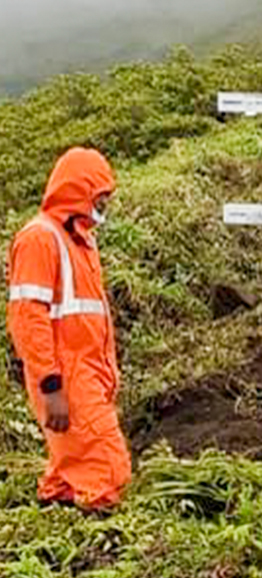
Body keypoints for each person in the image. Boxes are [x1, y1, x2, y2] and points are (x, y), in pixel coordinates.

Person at [5, 147, 131, 509]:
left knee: (73, 465)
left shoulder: (80, 238)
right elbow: (28, 319)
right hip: (66, 377)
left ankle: (56, 510)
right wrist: (51, 385)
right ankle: (104, 550)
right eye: (100, 198)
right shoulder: (39, 239)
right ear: (79, 192)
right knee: (108, 471)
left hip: (86, 373)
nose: (104, 205)